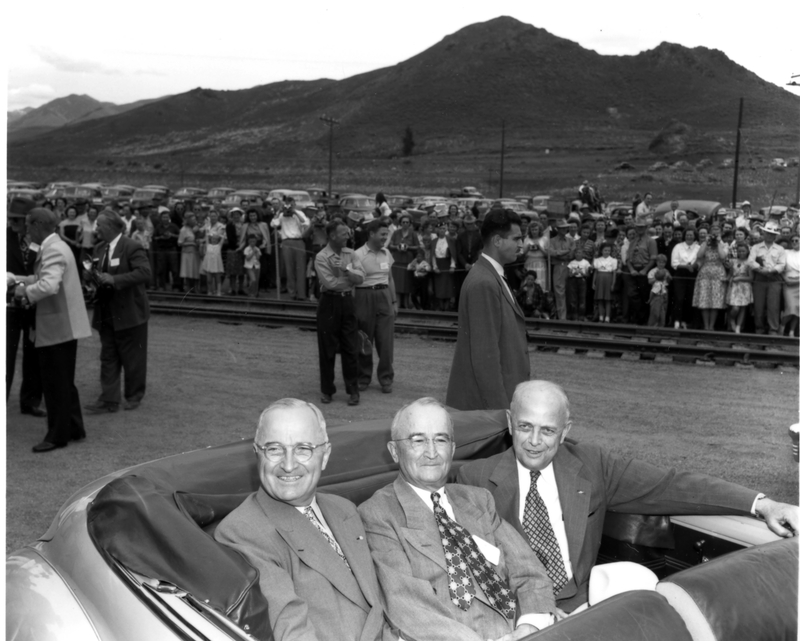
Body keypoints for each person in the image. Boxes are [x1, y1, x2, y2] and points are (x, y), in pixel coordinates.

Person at [457, 380, 800, 614]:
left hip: (584, 606)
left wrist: (764, 504)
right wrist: (534, 617)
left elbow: (671, 484)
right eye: (525, 426)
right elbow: (473, 572)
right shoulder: (473, 479)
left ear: (566, 432)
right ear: (509, 422)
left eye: (547, 430)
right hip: (515, 612)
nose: (534, 441)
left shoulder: (591, 465)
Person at [358, 398, 557, 641]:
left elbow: (528, 571)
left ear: (452, 449)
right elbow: (407, 606)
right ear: (394, 451)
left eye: (441, 439)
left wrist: (530, 627)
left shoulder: (478, 500)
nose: (431, 453)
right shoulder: (378, 514)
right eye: (418, 440)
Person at [214, 399, 395, 641]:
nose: (288, 465)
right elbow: (291, 630)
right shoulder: (243, 532)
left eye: (303, 449)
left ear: (325, 455)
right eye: (274, 449)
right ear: (257, 454)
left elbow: (382, 597)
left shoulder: (344, 509)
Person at [10, 208, 92, 452]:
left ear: (37, 225)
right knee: (64, 381)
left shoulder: (52, 249)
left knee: (55, 383)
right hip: (65, 325)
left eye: (27, 225)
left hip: (56, 326)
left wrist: (22, 290)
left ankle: (57, 435)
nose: (26, 230)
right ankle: (74, 427)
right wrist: (20, 279)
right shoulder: (57, 245)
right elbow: (44, 278)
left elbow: (48, 285)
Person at [446, 209, 528, 411]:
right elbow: (485, 358)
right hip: (489, 409)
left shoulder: (490, 275)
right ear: (497, 241)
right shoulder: (484, 282)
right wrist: (501, 413)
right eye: (516, 238)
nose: (521, 245)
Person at [81, 210, 151, 414]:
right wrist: (89, 277)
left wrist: (115, 280)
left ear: (111, 226)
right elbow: (99, 278)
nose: (96, 228)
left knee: (133, 358)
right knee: (108, 356)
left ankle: (134, 396)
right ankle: (109, 399)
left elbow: (145, 273)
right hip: (107, 314)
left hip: (130, 313)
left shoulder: (132, 247)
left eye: (100, 225)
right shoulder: (100, 249)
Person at [314, 220, 365, 406]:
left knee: (351, 347)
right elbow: (330, 284)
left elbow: (361, 277)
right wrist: (350, 279)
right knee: (326, 349)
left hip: (347, 302)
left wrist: (346, 270)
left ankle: (353, 391)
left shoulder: (350, 254)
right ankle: (327, 391)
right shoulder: (321, 257)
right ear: (333, 235)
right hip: (329, 303)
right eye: (344, 233)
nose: (348, 236)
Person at [6, 197, 45, 417]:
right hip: (8, 307)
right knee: (5, 356)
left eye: (17, 219)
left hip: (33, 306)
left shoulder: (41, 240)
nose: (12, 222)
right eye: (10, 218)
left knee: (34, 355)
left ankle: (30, 401)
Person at [354, 220, 397, 393]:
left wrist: (393, 302)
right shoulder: (357, 255)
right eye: (383, 234)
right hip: (364, 296)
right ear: (371, 234)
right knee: (364, 339)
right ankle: (363, 378)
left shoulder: (387, 253)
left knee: (386, 342)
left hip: (384, 296)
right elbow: (352, 282)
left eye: (387, 234)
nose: (385, 238)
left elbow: (390, 279)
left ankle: (386, 378)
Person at [748, 220, 786, 335]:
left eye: (772, 234)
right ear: (763, 234)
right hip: (759, 278)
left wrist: (771, 270)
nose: (770, 235)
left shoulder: (780, 249)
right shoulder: (756, 247)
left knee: (773, 306)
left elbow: (782, 264)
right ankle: (759, 328)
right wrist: (761, 269)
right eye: (768, 233)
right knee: (759, 305)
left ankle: (773, 329)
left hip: (774, 279)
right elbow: (750, 261)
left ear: (775, 236)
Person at [692, 223, 729, 331]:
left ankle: (711, 326)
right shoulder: (705, 243)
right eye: (713, 229)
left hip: (718, 273)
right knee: (704, 299)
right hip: (705, 273)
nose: (715, 231)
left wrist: (718, 242)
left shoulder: (724, 244)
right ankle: (706, 325)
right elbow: (699, 256)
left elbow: (722, 256)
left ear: (721, 232)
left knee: (715, 301)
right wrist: (705, 242)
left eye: (717, 229)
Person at [271, 198, 310, 300]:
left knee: (300, 269)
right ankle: (292, 294)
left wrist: (295, 213)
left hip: (299, 241)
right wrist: (279, 211)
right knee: (289, 269)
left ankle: (301, 294)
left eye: (291, 204)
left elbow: (306, 223)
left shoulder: (299, 213)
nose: (288, 207)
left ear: (294, 204)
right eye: (287, 205)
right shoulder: (281, 214)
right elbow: (273, 224)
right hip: (286, 241)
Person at [623, 220, 658, 325]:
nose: (640, 229)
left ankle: (643, 320)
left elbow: (653, 258)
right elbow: (628, 259)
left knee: (644, 295)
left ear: (646, 228)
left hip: (644, 269)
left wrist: (645, 270)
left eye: (642, 227)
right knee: (632, 294)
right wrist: (631, 269)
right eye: (638, 227)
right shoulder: (633, 241)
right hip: (633, 270)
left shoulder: (651, 241)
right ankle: (638, 317)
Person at [388, 213, 419, 310]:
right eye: (403, 222)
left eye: (407, 222)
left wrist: (408, 247)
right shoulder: (396, 233)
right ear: (400, 223)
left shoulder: (413, 234)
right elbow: (390, 245)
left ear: (410, 224)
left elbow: (417, 246)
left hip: (408, 262)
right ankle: (397, 305)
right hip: (397, 262)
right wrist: (397, 247)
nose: (405, 224)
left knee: (407, 285)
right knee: (397, 284)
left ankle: (406, 305)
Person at [671, 227, 700, 329]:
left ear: (695, 236)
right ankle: (677, 320)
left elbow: (699, 261)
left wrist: (693, 266)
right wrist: (686, 266)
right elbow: (674, 263)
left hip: (693, 274)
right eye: (687, 235)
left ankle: (685, 321)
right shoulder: (678, 247)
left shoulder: (698, 247)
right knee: (679, 298)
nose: (689, 236)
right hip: (680, 274)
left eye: (691, 235)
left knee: (690, 298)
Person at [547, 220, 575, 320]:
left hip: (570, 266)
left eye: (565, 227)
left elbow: (572, 254)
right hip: (558, 267)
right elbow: (553, 253)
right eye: (562, 228)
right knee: (559, 292)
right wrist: (566, 251)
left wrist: (560, 253)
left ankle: (572, 315)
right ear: (558, 229)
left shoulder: (570, 240)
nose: (564, 229)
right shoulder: (552, 241)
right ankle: (562, 317)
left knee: (571, 292)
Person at [727, 242, 754, 334]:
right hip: (734, 287)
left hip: (744, 287)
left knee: (742, 308)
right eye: (739, 251)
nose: (741, 253)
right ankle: (731, 319)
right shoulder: (733, 261)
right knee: (735, 308)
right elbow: (730, 274)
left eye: (743, 251)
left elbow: (751, 278)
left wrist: (740, 278)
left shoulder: (749, 262)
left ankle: (738, 326)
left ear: (747, 251)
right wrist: (727, 278)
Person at [152, 210, 181, 291]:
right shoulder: (158, 227)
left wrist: (171, 235)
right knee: (161, 269)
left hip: (172, 249)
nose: (165, 219)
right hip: (161, 249)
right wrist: (161, 237)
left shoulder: (174, 226)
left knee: (174, 269)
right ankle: (161, 286)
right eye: (163, 217)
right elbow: (154, 238)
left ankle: (176, 286)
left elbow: (180, 236)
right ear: (161, 218)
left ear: (169, 218)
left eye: (167, 217)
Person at [431, 224, 456, 311]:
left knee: (448, 286)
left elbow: (453, 254)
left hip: (447, 264)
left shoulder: (450, 240)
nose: (442, 230)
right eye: (440, 228)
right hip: (438, 265)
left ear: (446, 230)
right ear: (437, 230)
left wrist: (452, 266)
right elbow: (433, 255)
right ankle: (440, 306)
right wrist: (434, 267)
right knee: (439, 287)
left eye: (443, 229)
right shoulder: (434, 241)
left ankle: (447, 306)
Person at [592, 243, 617, 323]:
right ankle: (601, 316)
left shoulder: (613, 260)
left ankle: (607, 317)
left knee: (608, 299)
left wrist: (613, 284)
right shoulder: (597, 260)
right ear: (601, 251)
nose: (607, 252)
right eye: (605, 250)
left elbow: (614, 273)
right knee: (600, 299)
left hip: (608, 279)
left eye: (609, 251)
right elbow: (595, 272)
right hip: (599, 279)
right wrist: (593, 282)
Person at [782, 232, 800, 336]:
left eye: (796, 240)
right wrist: (786, 279)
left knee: (798, 308)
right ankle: (782, 327)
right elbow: (781, 268)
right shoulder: (786, 252)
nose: (794, 242)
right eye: (792, 241)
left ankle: (792, 331)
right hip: (788, 283)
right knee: (790, 307)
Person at [523, 220, 549, 291]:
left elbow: (547, 255)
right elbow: (523, 254)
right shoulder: (527, 239)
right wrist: (528, 248)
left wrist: (540, 248)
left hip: (541, 263)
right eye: (532, 230)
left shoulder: (544, 239)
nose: (534, 231)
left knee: (540, 282)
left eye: (536, 229)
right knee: (529, 281)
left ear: (539, 230)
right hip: (529, 262)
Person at [647, 254, 671, 327]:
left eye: (663, 262)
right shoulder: (653, 271)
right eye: (659, 262)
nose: (661, 264)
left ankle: (661, 327)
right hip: (656, 293)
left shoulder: (666, 271)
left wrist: (668, 277)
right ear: (656, 262)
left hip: (664, 292)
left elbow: (669, 281)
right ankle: (653, 327)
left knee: (663, 311)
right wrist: (658, 278)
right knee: (655, 311)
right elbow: (649, 281)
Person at [178, 212, 200, 292]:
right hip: (186, 253)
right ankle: (188, 289)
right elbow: (180, 243)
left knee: (195, 271)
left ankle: (196, 289)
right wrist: (191, 243)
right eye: (192, 219)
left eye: (195, 219)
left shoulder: (197, 228)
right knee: (188, 271)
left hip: (196, 253)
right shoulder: (183, 230)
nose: (194, 221)